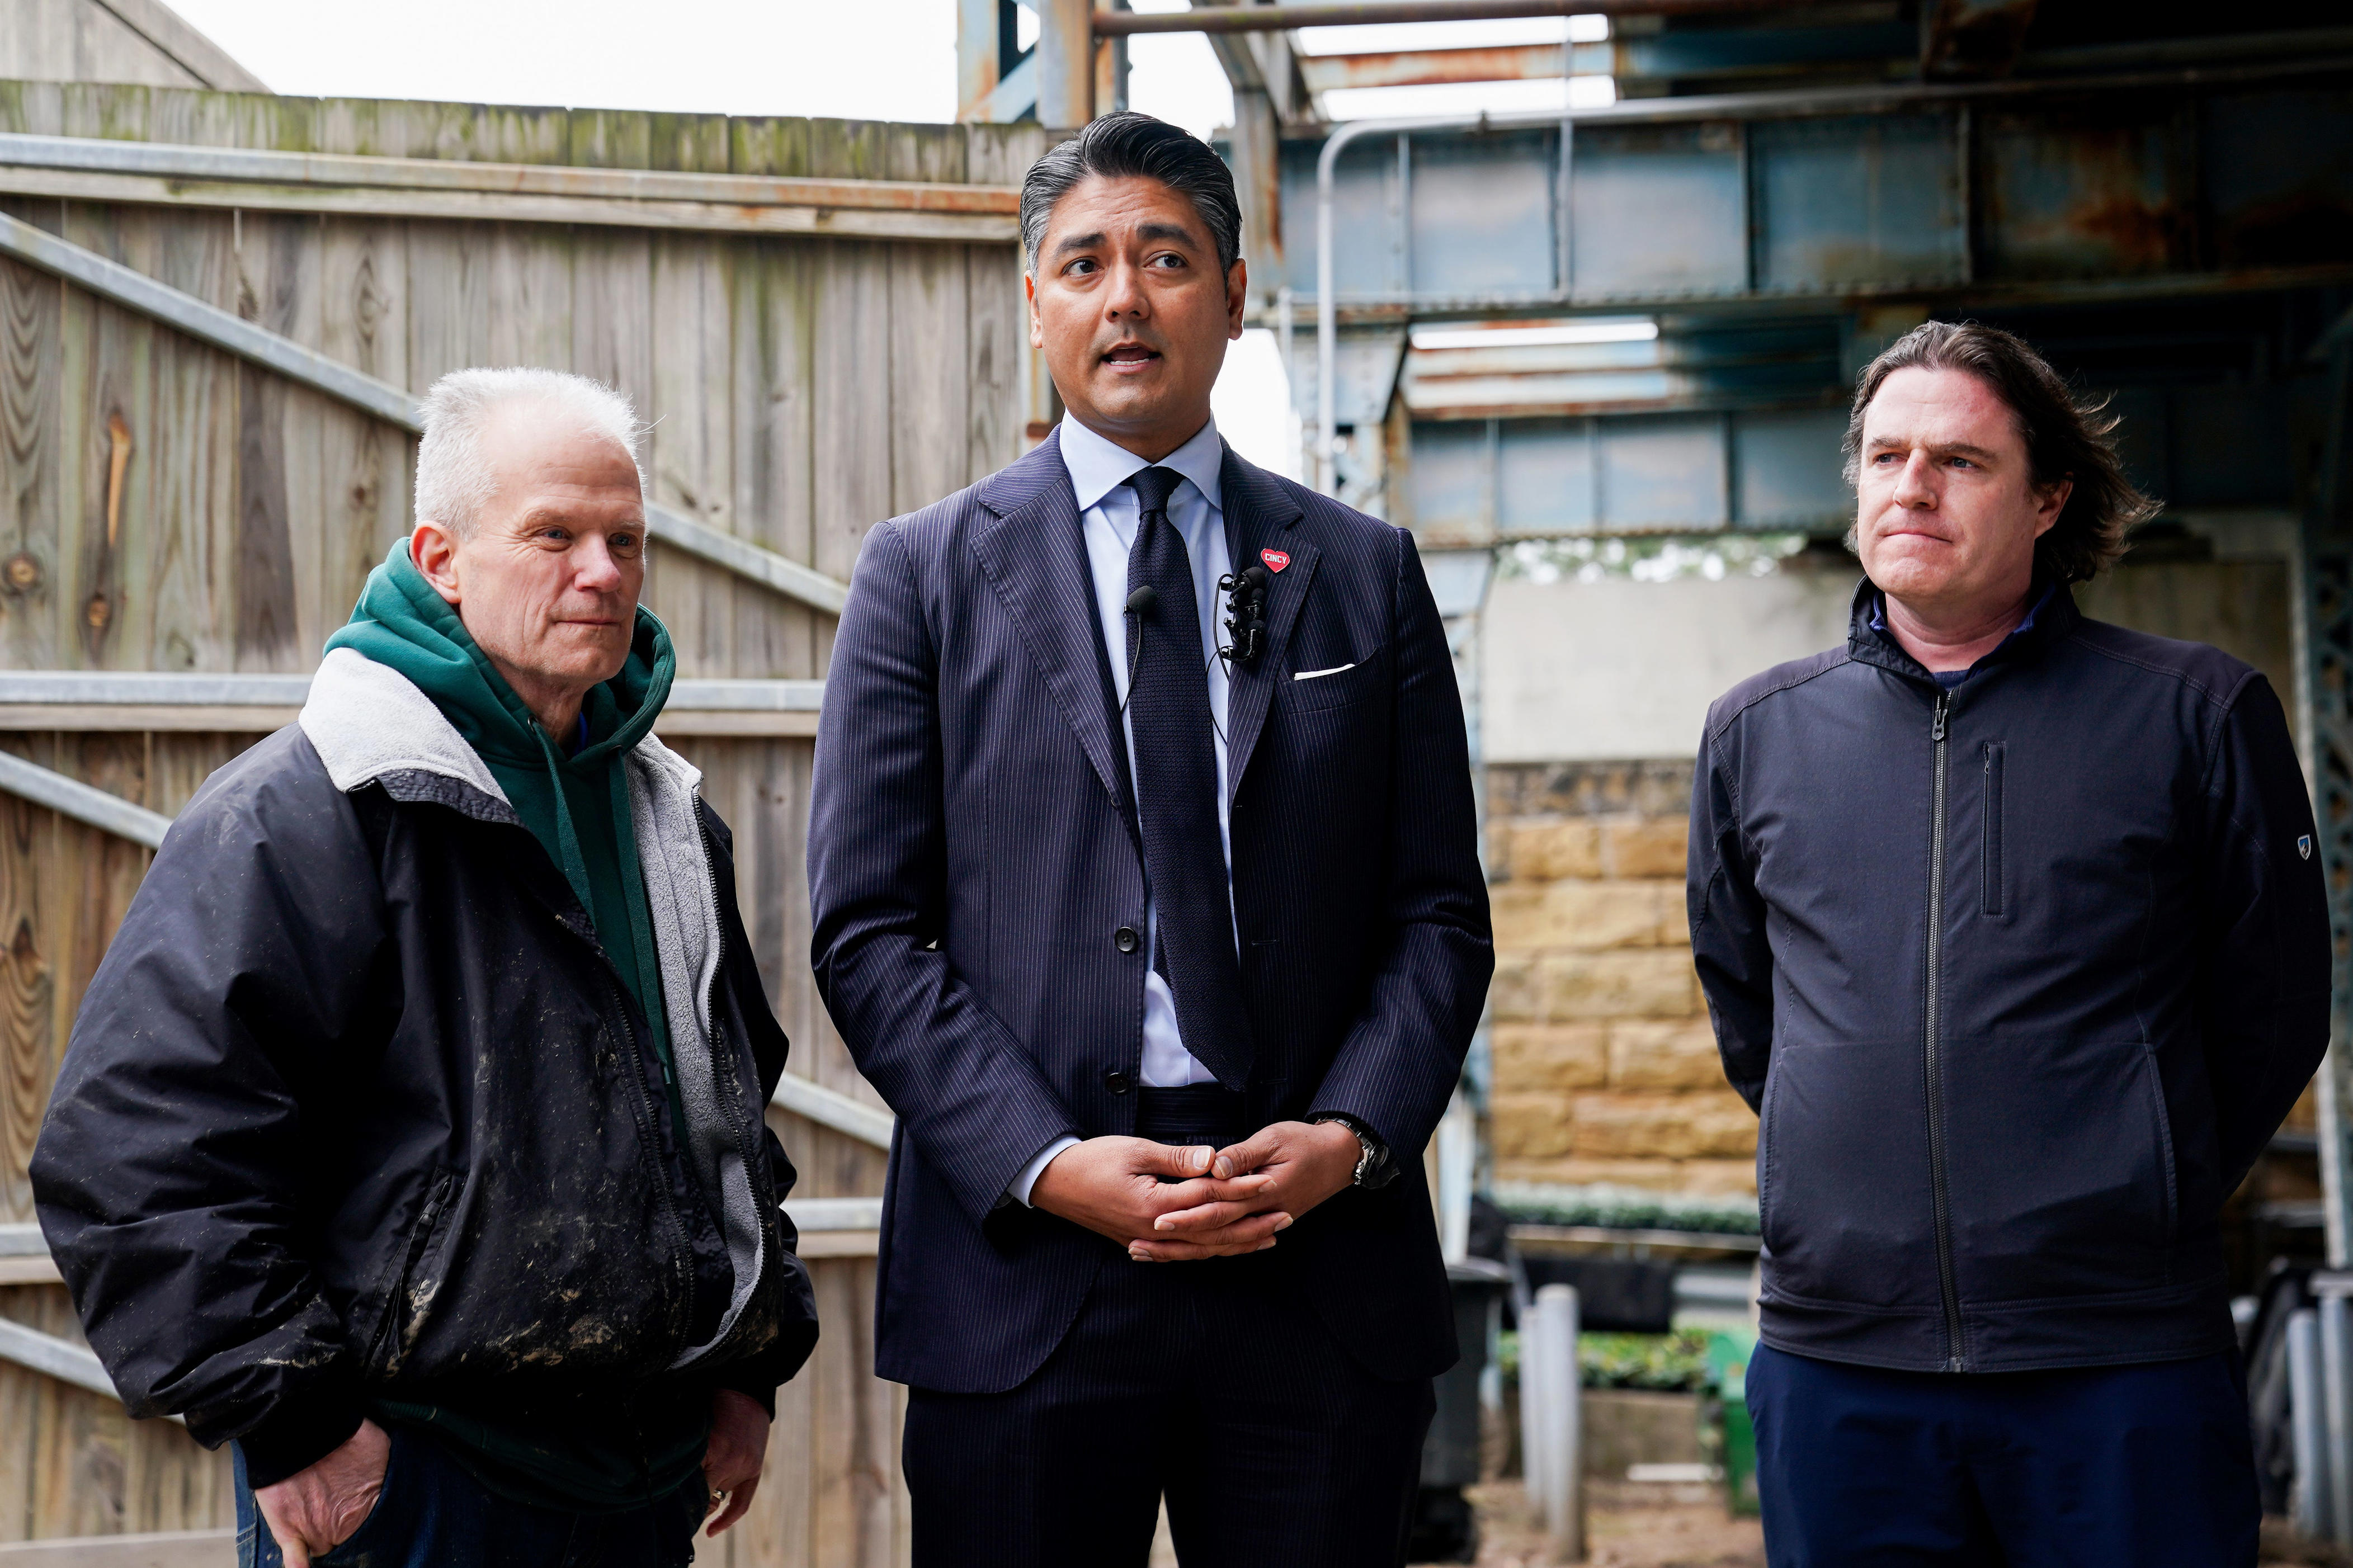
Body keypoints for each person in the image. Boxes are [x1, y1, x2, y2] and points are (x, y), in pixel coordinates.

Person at [807, 112, 1492, 1567]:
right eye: (1085, 263)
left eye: (1167, 257)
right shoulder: (923, 579)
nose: (1125, 296)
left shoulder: (1361, 576)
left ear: (1234, 296)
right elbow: (867, 929)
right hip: (1035, 1264)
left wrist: (1352, 1137)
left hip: (1313, 1248)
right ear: (1037, 300)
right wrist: (1048, 1160)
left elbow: (1437, 911)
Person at [32, 369, 819, 1568]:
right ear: (439, 558)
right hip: (410, 1483)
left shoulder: (666, 816)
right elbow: (136, 1149)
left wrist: (745, 1363)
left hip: (643, 1476)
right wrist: (290, 1415)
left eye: (626, 539)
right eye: (552, 534)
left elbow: (720, 1117)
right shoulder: (304, 810)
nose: (601, 572)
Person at [1687, 320, 2328, 1566]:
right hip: (1839, 1365)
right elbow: (1747, 1004)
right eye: (1883, 457)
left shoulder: (2196, 715)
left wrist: (2140, 1180)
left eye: (1959, 462)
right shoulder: (1755, 731)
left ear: (2047, 500)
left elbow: (2274, 1007)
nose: (1910, 486)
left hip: (2118, 1362)